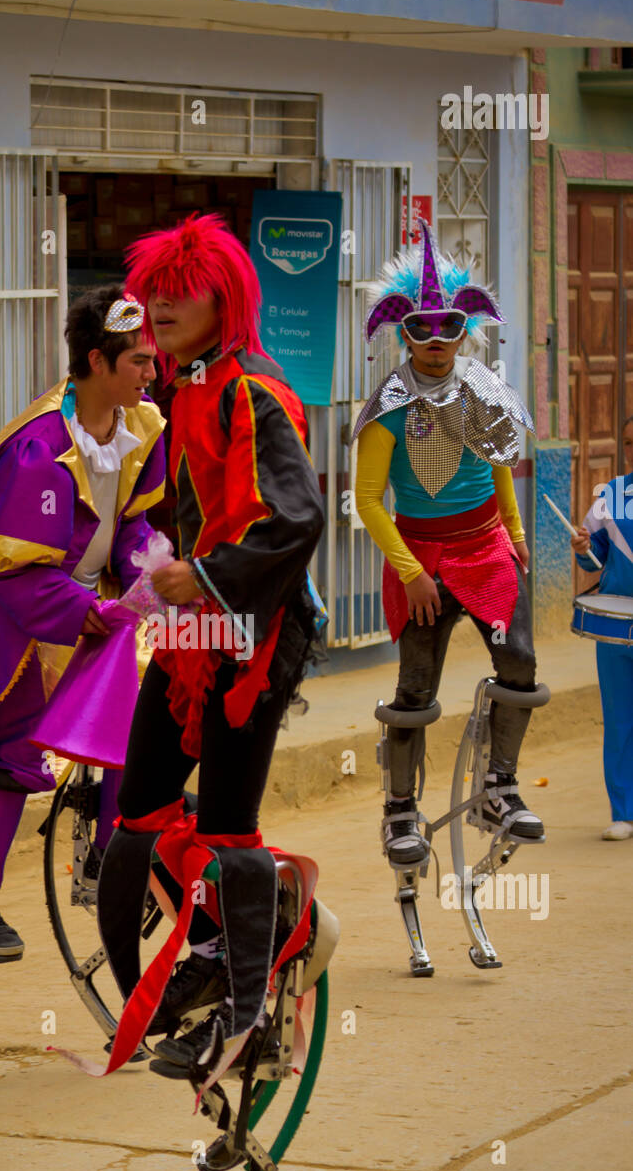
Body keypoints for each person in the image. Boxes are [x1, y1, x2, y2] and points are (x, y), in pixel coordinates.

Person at [94, 213, 325, 1080]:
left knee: (228, 827)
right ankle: (200, 957)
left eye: (179, 290)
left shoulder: (251, 390)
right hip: (194, 632)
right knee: (140, 815)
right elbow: (177, 510)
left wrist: (210, 575)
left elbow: (294, 516)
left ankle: (248, 1003)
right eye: (151, 290)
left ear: (222, 297)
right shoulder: (187, 389)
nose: (159, 303)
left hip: (255, 634)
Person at [0, 286, 165, 963]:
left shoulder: (141, 427)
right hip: (29, 623)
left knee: (137, 725)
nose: (152, 374)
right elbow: (13, 572)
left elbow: (133, 521)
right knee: (25, 753)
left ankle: (110, 858)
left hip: (99, 611)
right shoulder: (36, 447)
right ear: (97, 360)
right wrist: (95, 612)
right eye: (140, 361)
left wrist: (148, 571)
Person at [353, 219, 544, 865]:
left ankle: (500, 786)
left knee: (518, 661)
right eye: (420, 329)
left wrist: (515, 534)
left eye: (449, 328)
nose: (436, 342)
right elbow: (367, 501)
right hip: (423, 560)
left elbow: (498, 465)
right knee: (414, 689)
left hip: (486, 548)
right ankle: (399, 810)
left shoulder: (485, 389)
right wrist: (409, 572)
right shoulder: (389, 405)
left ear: (466, 329)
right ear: (402, 332)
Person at [572, 414, 633, 839]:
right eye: (629, 442)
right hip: (615, 623)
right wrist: (581, 547)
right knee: (619, 719)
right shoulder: (610, 498)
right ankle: (624, 812)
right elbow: (592, 557)